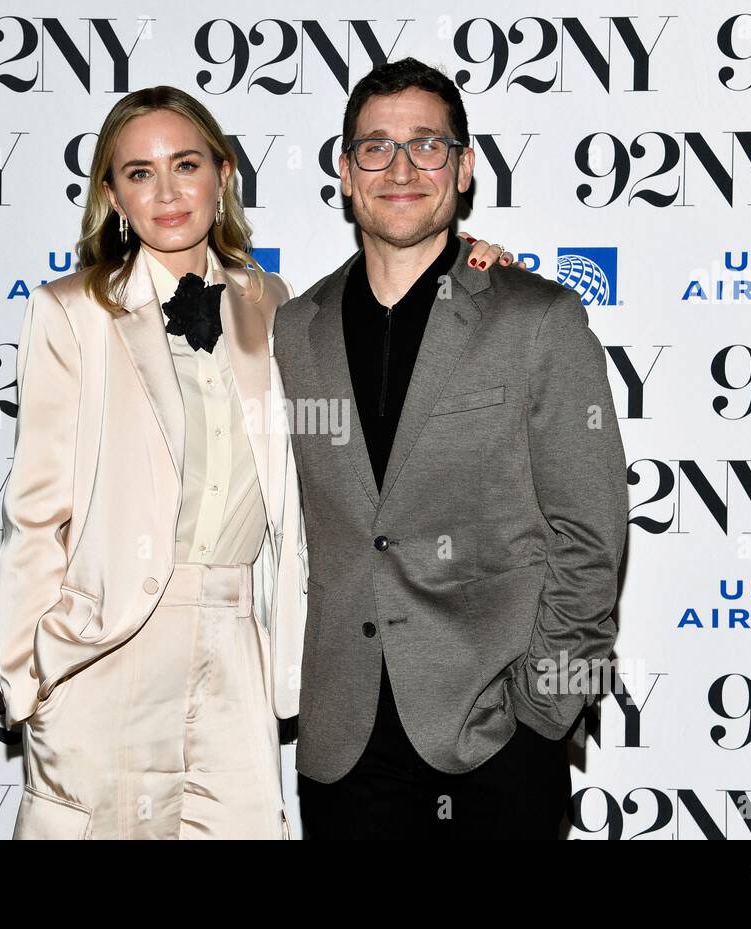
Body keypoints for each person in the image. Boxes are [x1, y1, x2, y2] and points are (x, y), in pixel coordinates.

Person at [0, 83, 513, 839]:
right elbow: (37, 509)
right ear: (112, 193)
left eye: (186, 165)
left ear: (223, 174)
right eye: (139, 173)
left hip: (241, 642)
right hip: (108, 649)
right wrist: (29, 677)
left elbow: (396, 295)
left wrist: (476, 266)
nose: (167, 192)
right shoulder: (71, 310)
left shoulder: (276, 303)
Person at [273, 59, 630, 839]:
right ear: (344, 171)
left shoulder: (537, 318)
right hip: (343, 744)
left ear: (464, 168)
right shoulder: (295, 329)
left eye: (427, 145)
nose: (400, 168)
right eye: (375, 147)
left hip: (495, 741)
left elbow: (592, 533)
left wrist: (543, 706)